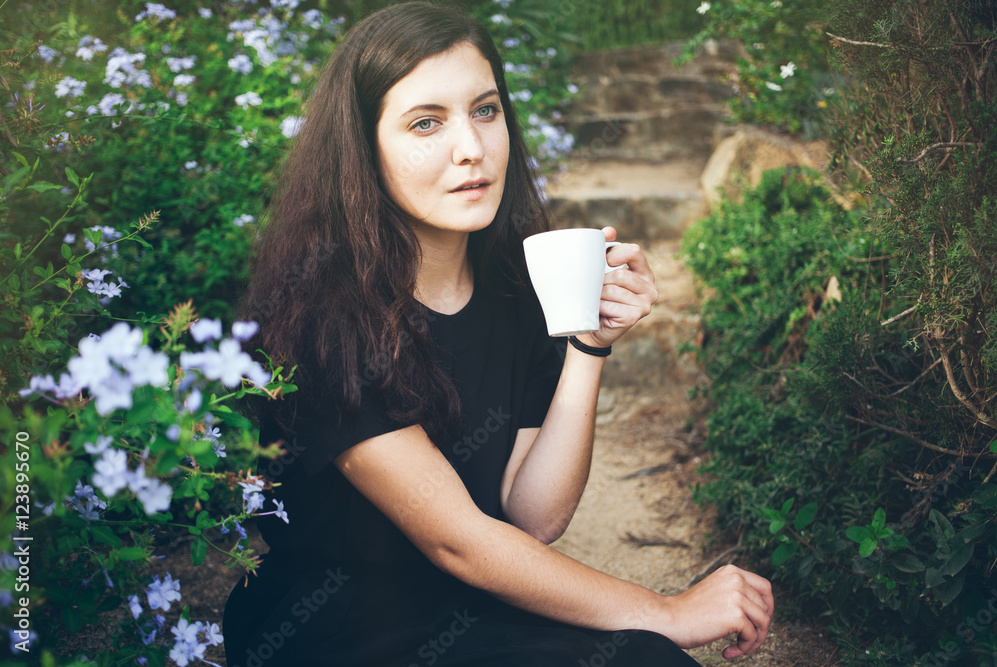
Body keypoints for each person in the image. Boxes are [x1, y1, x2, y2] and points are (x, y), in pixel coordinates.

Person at [223, 3, 773, 666]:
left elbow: (532, 517)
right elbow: (459, 540)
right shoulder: (324, 312)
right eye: (427, 122)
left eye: (486, 110)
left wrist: (589, 342)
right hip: (345, 630)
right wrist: (667, 610)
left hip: (475, 605)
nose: (472, 148)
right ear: (363, 149)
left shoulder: (516, 286)